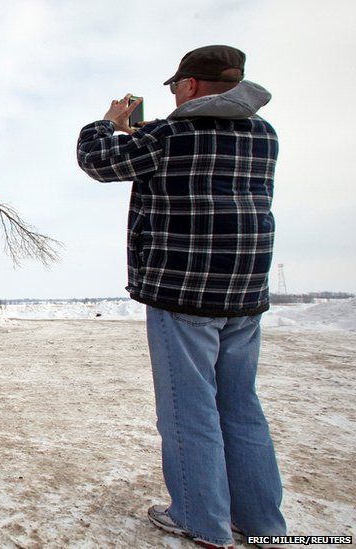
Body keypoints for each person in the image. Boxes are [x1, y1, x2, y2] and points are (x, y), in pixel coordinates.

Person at [76, 45, 286, 548]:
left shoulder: (169, 134)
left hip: (183, 291)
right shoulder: (264, 134)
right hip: (245, 293)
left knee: (189, 411)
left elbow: (97, 161)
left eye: (174, 86)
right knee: (241, 407)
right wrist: (141, 135)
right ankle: (262, 526)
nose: (172, 95)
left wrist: (106, 122)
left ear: (189, 85)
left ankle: (201, 521)